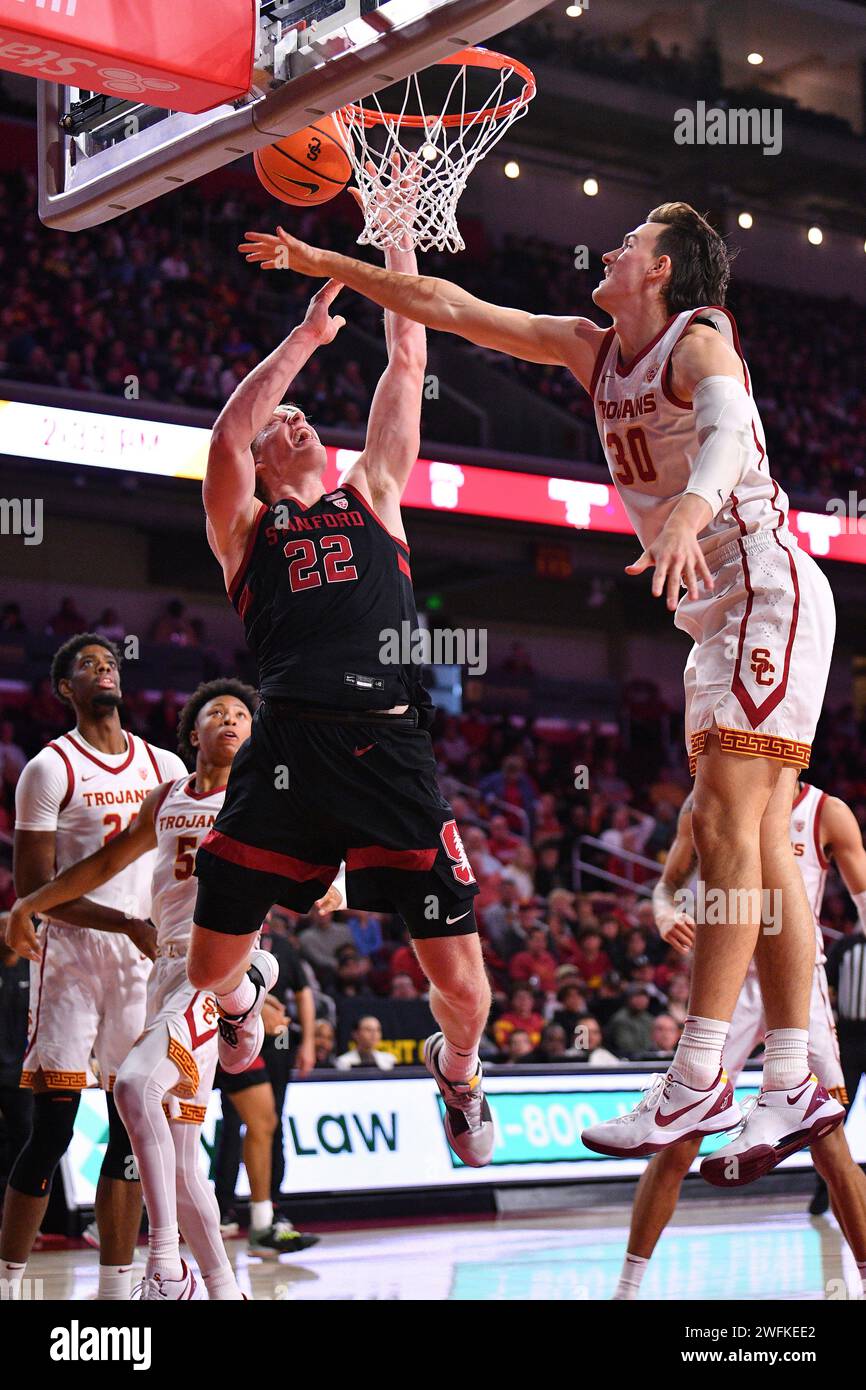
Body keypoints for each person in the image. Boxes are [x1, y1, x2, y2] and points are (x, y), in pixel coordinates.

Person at [250, 201, 843, 1179]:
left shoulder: (697, 341)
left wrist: (688, 508)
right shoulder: (589, 346)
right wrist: (328, 260)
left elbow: (729, 429)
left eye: (628, 244)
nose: (607, 251)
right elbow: (447, 303)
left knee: (732, 824)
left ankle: (698, 1068)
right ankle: (790, 1074)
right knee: (762, 838)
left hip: (762, 593)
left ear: (660, 274)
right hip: (713, 614)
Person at [190, 205, 492, 1167]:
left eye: (300, 414)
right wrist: (304, 340)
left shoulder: (376, 490)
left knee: (469, 991)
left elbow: (408, 354)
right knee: (209, 973)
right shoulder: (245, 531)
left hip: (389, 743)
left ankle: (459, 1073)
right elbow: (230, 435)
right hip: (285, 746)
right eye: (284, 423)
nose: (293, 418)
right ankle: (248, 1004)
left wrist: (397, 234)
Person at [6, 679, 260, 1299]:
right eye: (216, 712)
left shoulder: (263, 799)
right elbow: (105, 863)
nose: (230, 719)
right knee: (178, 1160)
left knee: (130, 1084)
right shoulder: (168, 796)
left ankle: (165, 1268)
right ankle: (224, 1288)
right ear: (190, 734)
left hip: (212, 965)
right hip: (164, 972)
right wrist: (31, 904)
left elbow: (322, 857)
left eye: (242, 715)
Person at [611, 783, 866, 1301]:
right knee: (678, 1141)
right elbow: (667, 887)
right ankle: (627, 1289)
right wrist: (665, 913)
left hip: (797, 984)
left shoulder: (826, 812)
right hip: (728, 987)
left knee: (830, 1142)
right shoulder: (708, 796)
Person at [1, 635, 186, 1301]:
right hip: (73, 961)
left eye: (110, 662)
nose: (104, 670)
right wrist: (125, 924)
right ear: (64, 691)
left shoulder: (164, 765)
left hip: (146, 964)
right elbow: (33, 892)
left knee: (132, 1126)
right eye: (88, 665)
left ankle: (115, 1292)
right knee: (49, 1130)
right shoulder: (49, 770)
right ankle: (8, 1280)